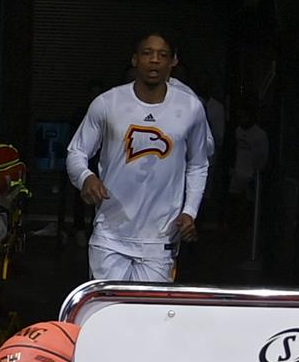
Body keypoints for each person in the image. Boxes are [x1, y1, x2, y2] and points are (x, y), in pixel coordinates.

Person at [65, 32, 214, 282]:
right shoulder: (107, 103)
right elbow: (76, 151)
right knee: (110, 306)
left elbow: (198, 164)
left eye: (162, 55)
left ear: (173, 61)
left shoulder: (190, 107)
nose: (154, 60)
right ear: (134, 59)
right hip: (110, 235)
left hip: (160, 238)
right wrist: (85, 177)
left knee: (149, 308)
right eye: (147, 53)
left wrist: (190, 211)